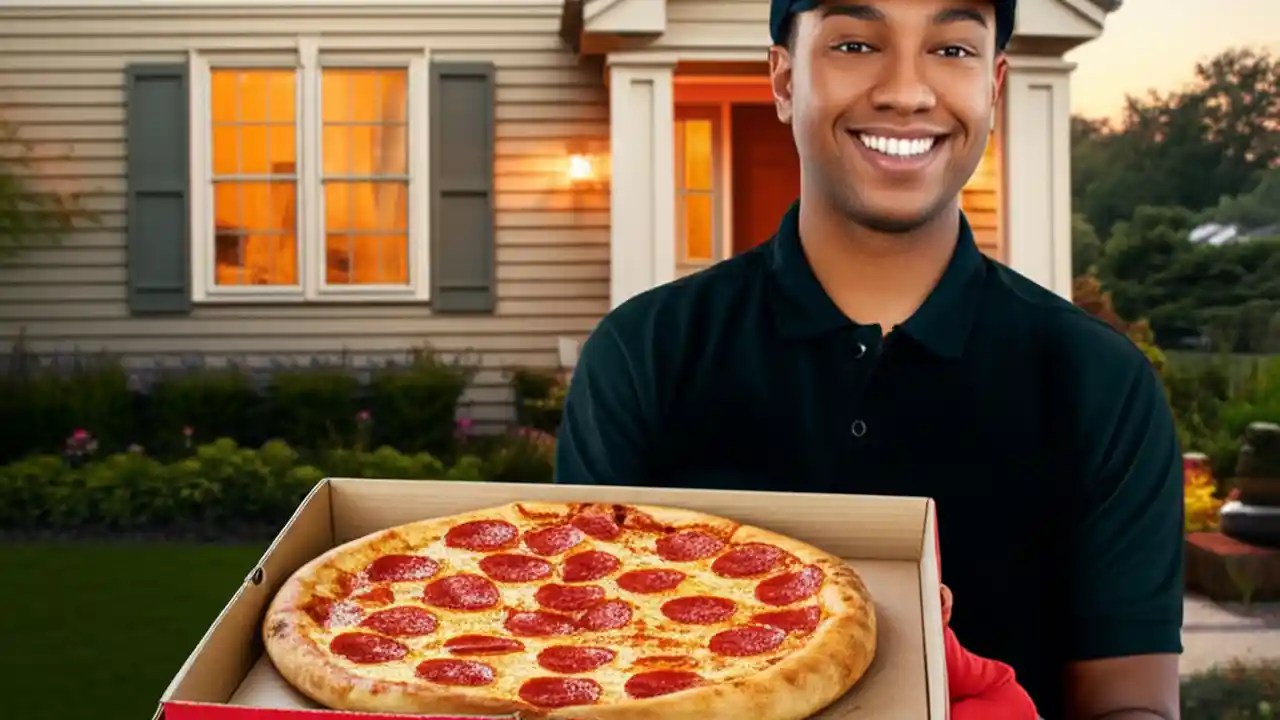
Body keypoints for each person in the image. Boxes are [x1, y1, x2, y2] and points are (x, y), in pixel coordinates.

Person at [553, 1, 1185, 718]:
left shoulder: (1099, 382)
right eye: (855, 43)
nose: (906, 91)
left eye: (951, 51)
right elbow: (588, 674)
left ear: (996, 86)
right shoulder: (645, 355)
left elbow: (1131, 703)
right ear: (784, 80)